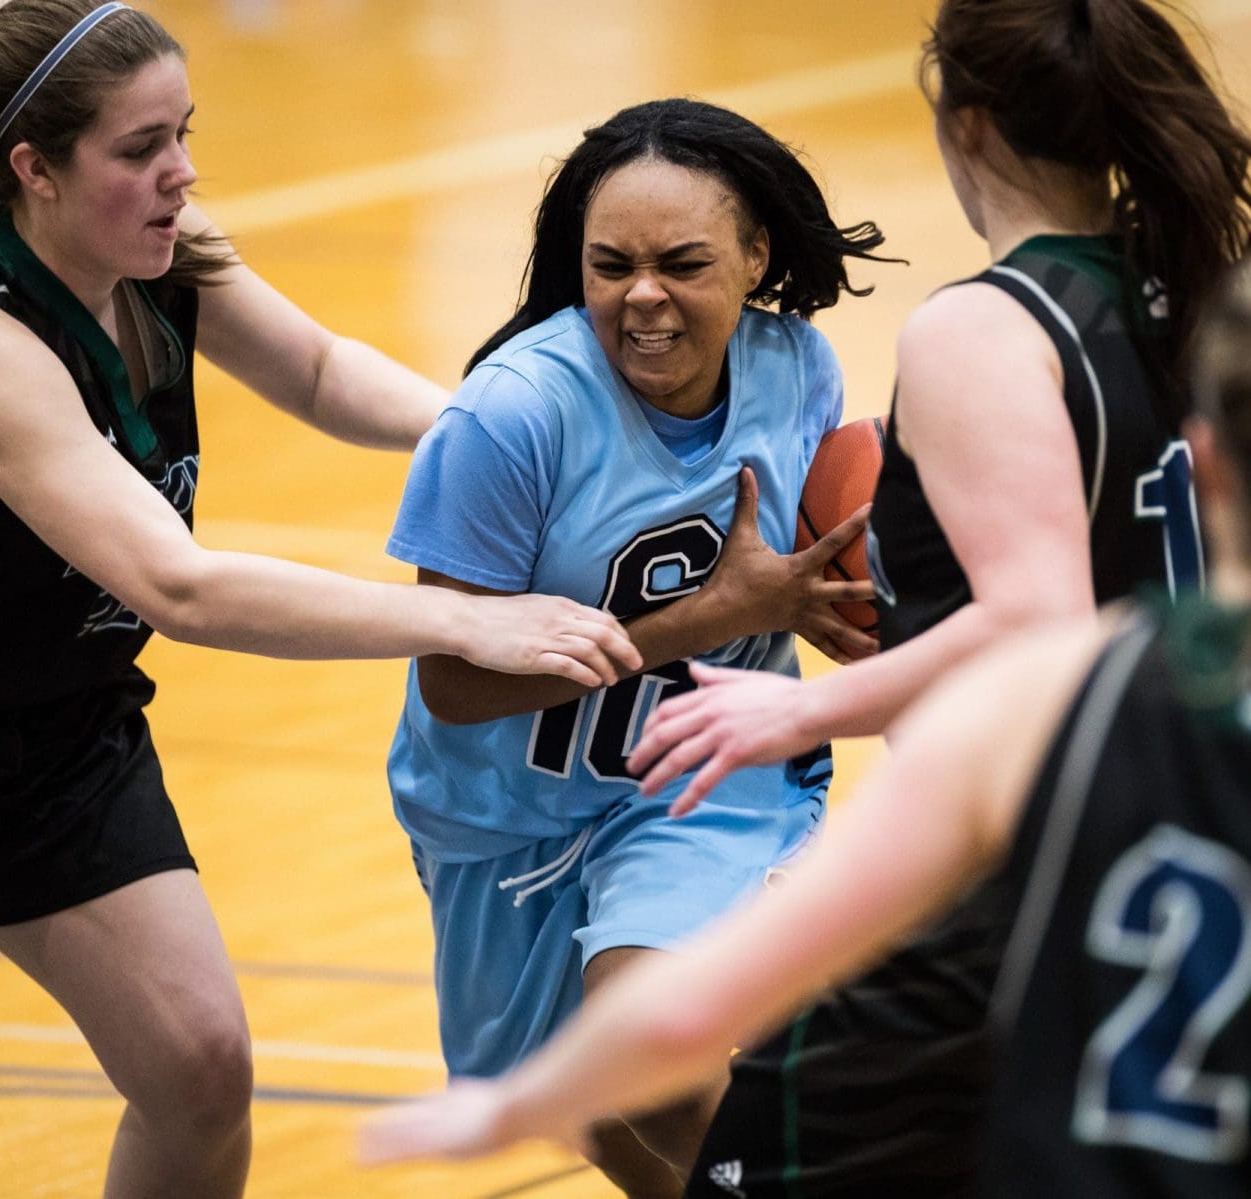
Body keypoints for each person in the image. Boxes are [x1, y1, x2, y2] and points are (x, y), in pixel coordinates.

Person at [0, 3, 645, 1197]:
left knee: (201, 1066)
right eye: (138, 149)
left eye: (183, 133)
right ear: (36, 170)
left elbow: (319, 370)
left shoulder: (156, 251)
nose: (177, 174)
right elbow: (177, 583)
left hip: (50, 719)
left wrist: (528, 438)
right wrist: (462, 616)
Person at [358, 254, 1251, 1199]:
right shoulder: (528, 403)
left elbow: (682, 1019)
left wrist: (509, 1110)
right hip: (517, 812)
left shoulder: (1052, 697)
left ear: (1202, 460)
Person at [609, 1, 1251, 1192]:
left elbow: (1038, 621)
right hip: (1173, 847)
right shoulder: (1201, 290)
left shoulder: (985, 325)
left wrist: (791, 714)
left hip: (1004, 876)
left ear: (968, 123)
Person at [382, 97, 888, 1197]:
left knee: (649, 1047)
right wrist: (711, 616)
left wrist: (857, 620)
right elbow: (454, 682)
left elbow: (805, 585)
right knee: (593, 1102)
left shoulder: (798, 368)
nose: (641, 296)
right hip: (495, 812)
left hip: (701, 776)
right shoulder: (510, 417)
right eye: (609, 265)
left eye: (682, 262)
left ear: (756, 256)